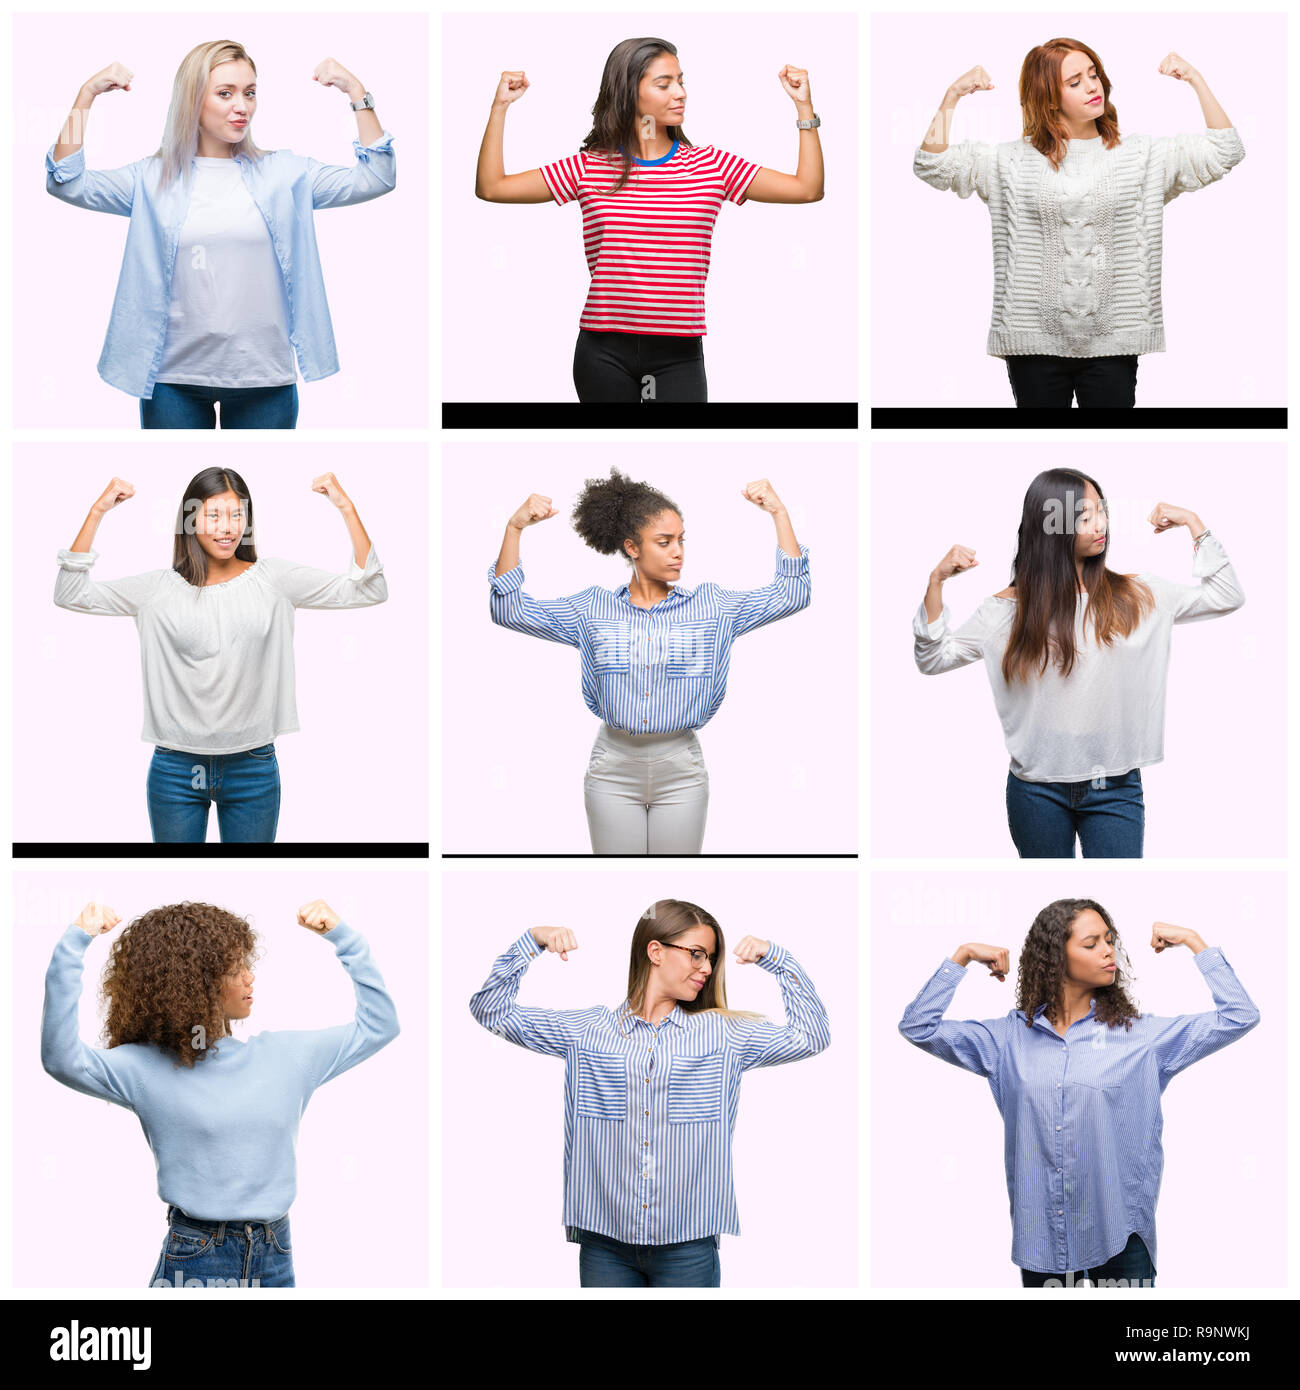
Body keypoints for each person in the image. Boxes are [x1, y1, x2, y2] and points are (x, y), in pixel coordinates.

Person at [898, 900, 1260, 1287]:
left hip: (1120, 1235)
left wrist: (1193, 941)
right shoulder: (1007, 1040)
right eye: (1091, 944)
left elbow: (1239, 1016)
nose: (1108, 951)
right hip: (1042, 1239)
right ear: (1056, 956)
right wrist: (963, 956)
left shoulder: (1142, 1038)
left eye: (1109, 940)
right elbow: (918, 1027)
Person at [41, 898, 400, 1288]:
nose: (251, 978)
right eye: (236, 969)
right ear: (197, 983)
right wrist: (75, 942)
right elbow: (61, 1058)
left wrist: (342, 936)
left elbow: (379, 1025)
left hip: (275, 1254)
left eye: (248, 965)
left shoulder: (287, 1057)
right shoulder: (144, 1068)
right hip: (196, 1256)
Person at [469, 899, 830, 1286]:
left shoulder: (724, 1036)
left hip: (688, 1247)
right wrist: (532, 941)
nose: (706, 968)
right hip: (604, 1245)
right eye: (696, 954)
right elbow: (491, 1011)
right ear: (655, 951)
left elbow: (811, 1036)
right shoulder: (587, 1032)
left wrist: (778, 960)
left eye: (709, 958)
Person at [45, 41, 396, 428]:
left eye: (249, 93)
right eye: (225, 93)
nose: (242, 106)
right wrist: (86, 97)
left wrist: (357, 94)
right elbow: (65, 181)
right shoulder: (151, 178)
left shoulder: (286, 174)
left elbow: (377, 178)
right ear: (193, 100)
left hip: (263, 378)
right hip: (171, 379)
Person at [913, 469, 1244, 857]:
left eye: (1102, 512)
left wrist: (1194, 523)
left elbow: (1227, 594)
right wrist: (936, 580)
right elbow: (933, 658)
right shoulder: (1006, 611)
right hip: (1036, 790)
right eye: (1085, 517)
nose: (1100, 525)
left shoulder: (1139, 594)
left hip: (1115, 787)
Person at [475, 36, 825, 402]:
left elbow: (806, 189)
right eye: (664, 84)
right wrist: (500, 106)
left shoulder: (711, 166)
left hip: (678, 354)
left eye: (681, 81)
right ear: (630, 93)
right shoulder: (589, 167)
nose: (681, 93)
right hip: (602, 351)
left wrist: (804, 107)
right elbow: (492, 187)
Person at [53, 468, 387, 842]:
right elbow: (70, 593)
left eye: (236, 515)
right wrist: (97, 511)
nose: (227, 527)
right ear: (190, 520)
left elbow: (370, 589)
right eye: (213, 515)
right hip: (175, 769)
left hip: (253, 768)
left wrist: (346, 507)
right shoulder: (157, 590)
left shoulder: (273, 579)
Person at [489, 468, 810, 853]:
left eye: (680, 540)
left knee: (677, 878)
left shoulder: (712, 607)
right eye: (664, 541)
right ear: (632, 548)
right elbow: (508, 610)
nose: (678, 551)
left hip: (681, 767)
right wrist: (514, 528)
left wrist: (779, 513)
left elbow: (793, 594)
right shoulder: (593, 609)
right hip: (612, 766)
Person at [913, 39, 1244, 407]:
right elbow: (931, 165)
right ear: (1049, 97)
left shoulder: (1143, 156)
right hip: (1032, 344)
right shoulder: (1008, 162)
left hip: (1113, 344)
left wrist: (1195, 78)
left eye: (1094, 74)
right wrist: (952, 96)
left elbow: (1225, 150)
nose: (1092, 86)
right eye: (1075, 82)